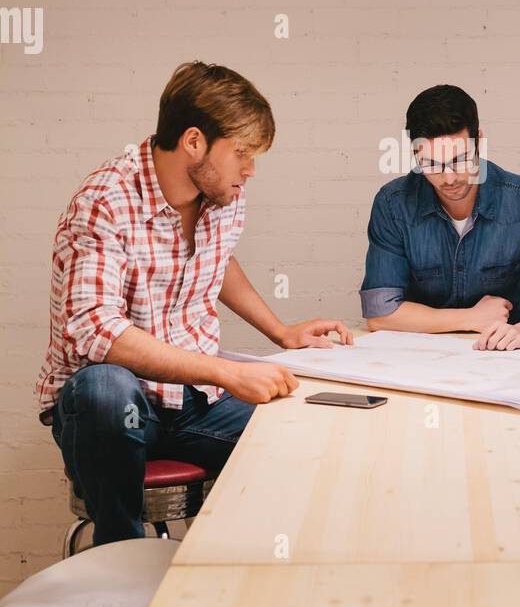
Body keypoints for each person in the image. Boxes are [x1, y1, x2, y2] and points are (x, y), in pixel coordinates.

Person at [37, 61, 352, 544]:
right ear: (193, 142)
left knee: (300, 427)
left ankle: (242, 582)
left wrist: (281, 332)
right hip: (118, 409)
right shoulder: (106, 200)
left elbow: (216, 261)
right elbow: (95, 329)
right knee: (105, 389)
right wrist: (223, 371)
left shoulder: (222, 195)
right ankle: (121, 564)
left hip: (191, 405)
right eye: (243, 153)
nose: (250, 170)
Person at [360, 84, 520, 349]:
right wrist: (470, 318)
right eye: (430, 165)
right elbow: (380, 313)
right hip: (418, 353)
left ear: (480, 142)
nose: (449, 178)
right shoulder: (392, 204)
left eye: (460, 160)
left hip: (501, 351)